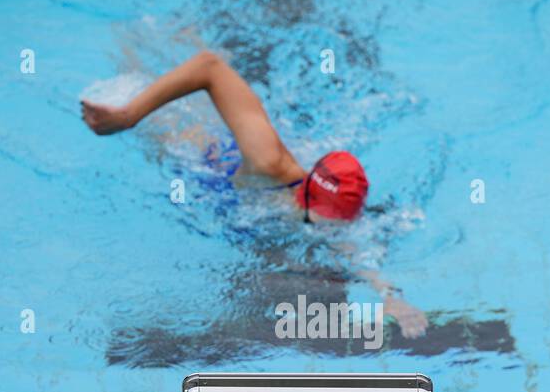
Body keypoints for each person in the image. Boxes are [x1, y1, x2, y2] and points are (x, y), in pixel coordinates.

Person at [81, 49, 428, 336]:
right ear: (305, 196)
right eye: (323, 223)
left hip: (236, 186)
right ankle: (131, 42)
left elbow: (352, 249)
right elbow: (209, 66)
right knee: (136, 70)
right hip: (204, 157)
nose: (328, 233)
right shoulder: (268, 163)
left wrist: (390, 295)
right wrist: (129, 117)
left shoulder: (324, 212)